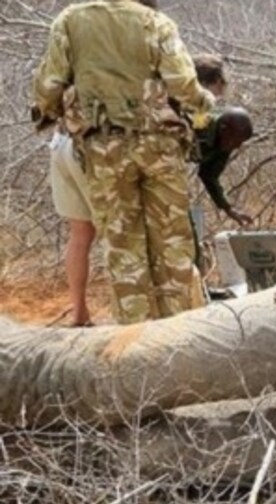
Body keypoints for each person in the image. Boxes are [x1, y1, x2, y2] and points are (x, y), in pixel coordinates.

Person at [32, 0, 214, 324]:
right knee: (173, 244)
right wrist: (203, 105)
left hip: (104, 149)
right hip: (159, 146)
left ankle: (138, 345)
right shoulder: (155, 22)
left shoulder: (70, 22)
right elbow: (183, 83)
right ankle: (185, 336)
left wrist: (48, 112)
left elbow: (50, 84)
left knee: (123, 249)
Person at [47, 89, 95, 327]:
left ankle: (80, 313)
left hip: (60, 140)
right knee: (116, 230)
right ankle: (130, 314)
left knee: (80, 233)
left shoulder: (64, 56)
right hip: (88, 144)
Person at [190, 54, 254, 226]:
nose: (234, 146)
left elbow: (208, 175)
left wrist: (227, 208)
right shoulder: (199, 120)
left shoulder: (224, 142)